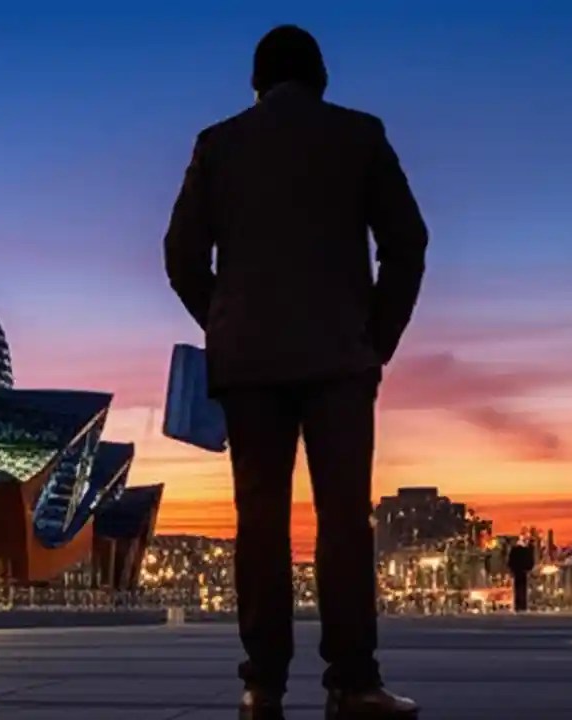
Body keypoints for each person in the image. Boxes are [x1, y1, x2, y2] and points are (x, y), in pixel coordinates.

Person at [163, 24, 428, 720]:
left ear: (256, 82)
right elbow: (408, 242)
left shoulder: (218, 145)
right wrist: (379, 336)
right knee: (344, 521)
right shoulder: (360, 136)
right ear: (321, 79)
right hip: (341, 357)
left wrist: (223, 319)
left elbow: (180, 255)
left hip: (249, 364)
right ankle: (353, 681)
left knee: (260, 522)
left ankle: (263, 686)